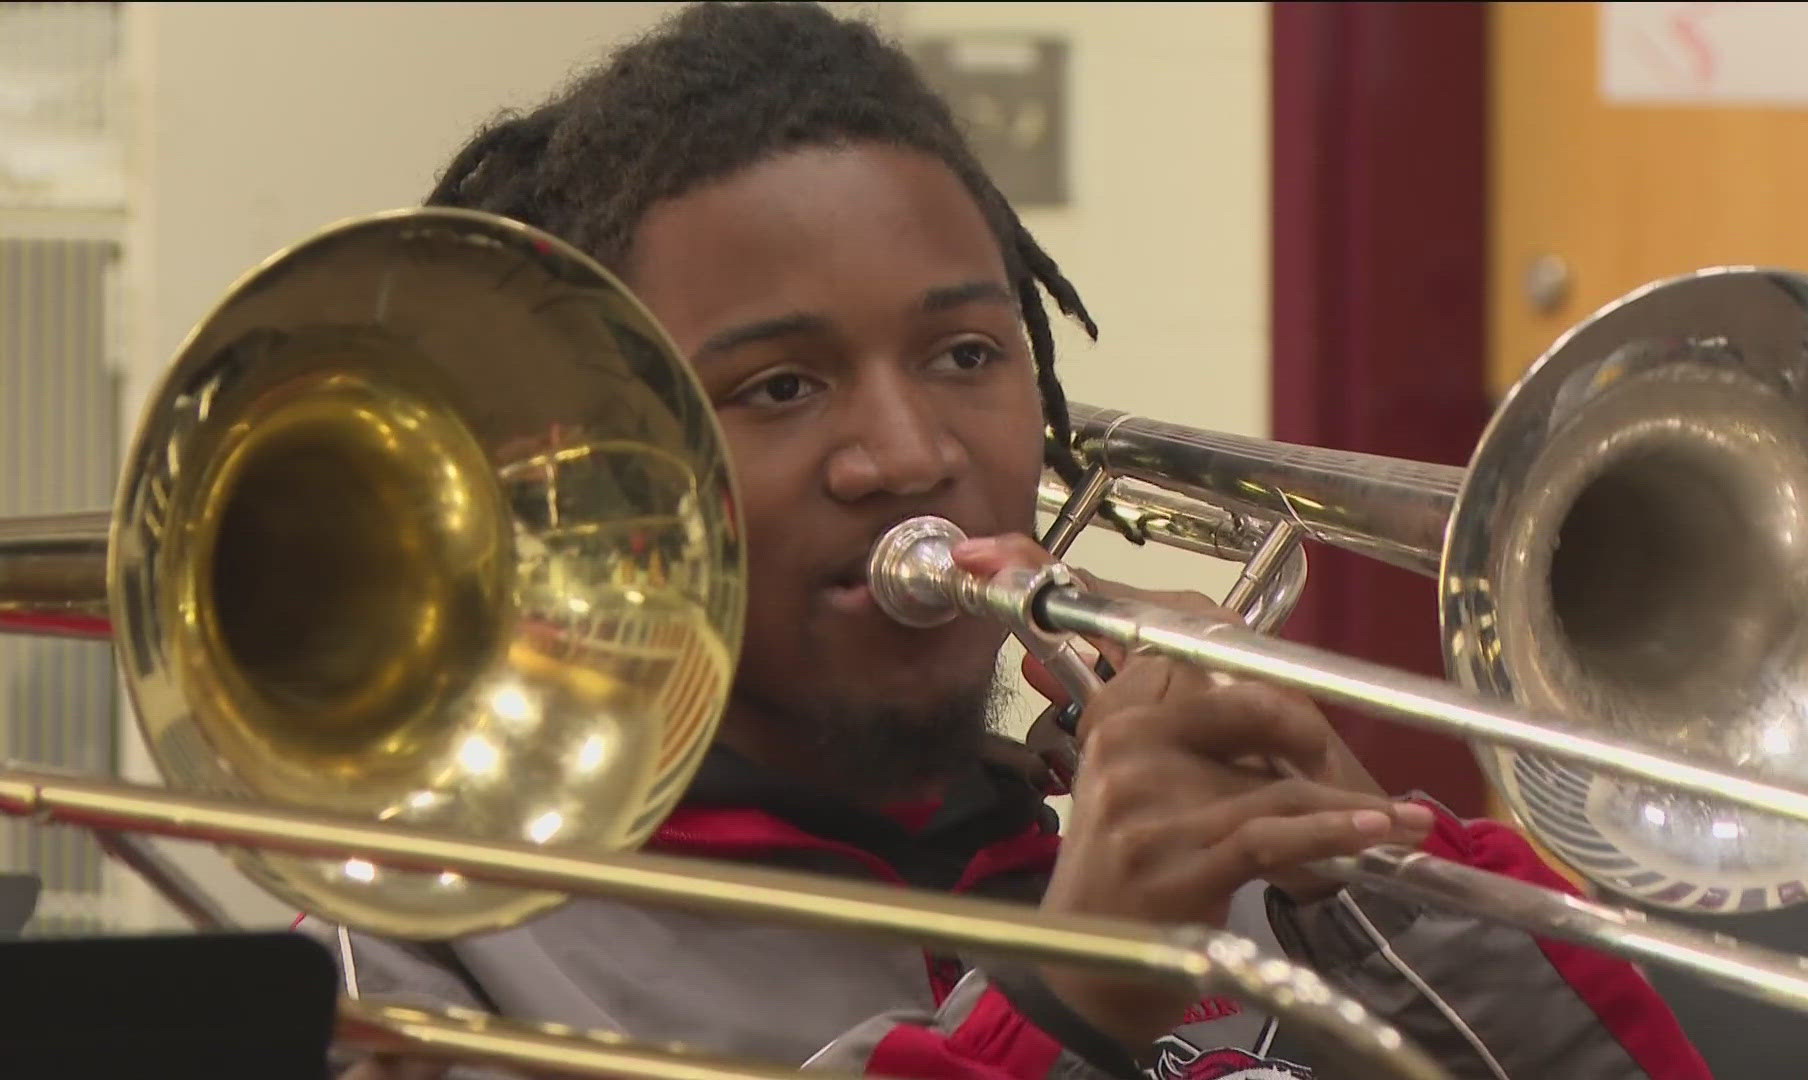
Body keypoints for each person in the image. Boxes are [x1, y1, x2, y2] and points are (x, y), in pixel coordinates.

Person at [311, 4, 1712, 1078]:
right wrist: (1062, 998)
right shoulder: (442, 944)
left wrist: (1364, 862)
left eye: (967, 352)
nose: (913, 453)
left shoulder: (1196, 858)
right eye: (781, 386)